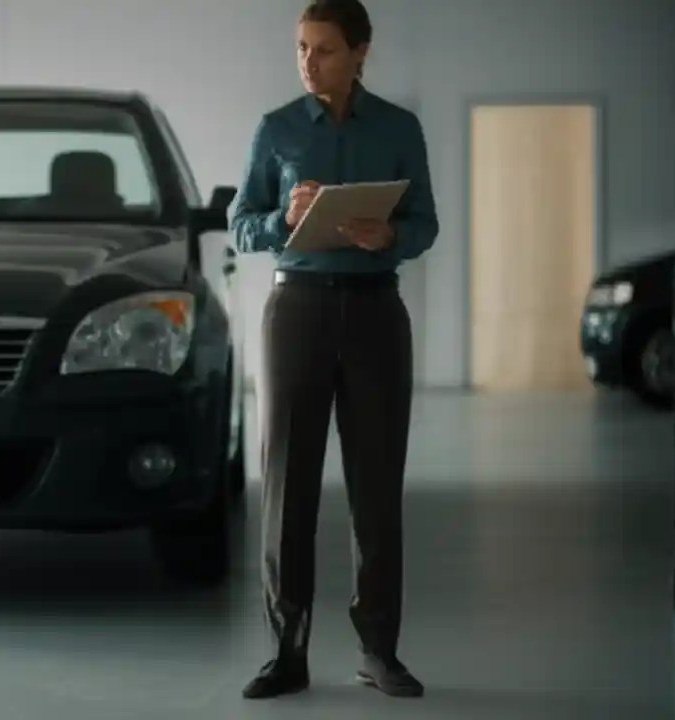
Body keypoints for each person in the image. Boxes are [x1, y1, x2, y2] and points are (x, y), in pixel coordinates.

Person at [228, 0, 438, 700]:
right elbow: (239, 226)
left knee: (377, 490)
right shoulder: (277, 130)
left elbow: (425, 221)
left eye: (323, 49)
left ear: (359, 53)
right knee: (289, 486)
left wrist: (391, 239)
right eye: (301, 47)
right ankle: (287, 653)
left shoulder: (399, 129)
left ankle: (379, 652)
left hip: (378, 311)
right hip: (298, 311)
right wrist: (282, 218)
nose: (308, 60)